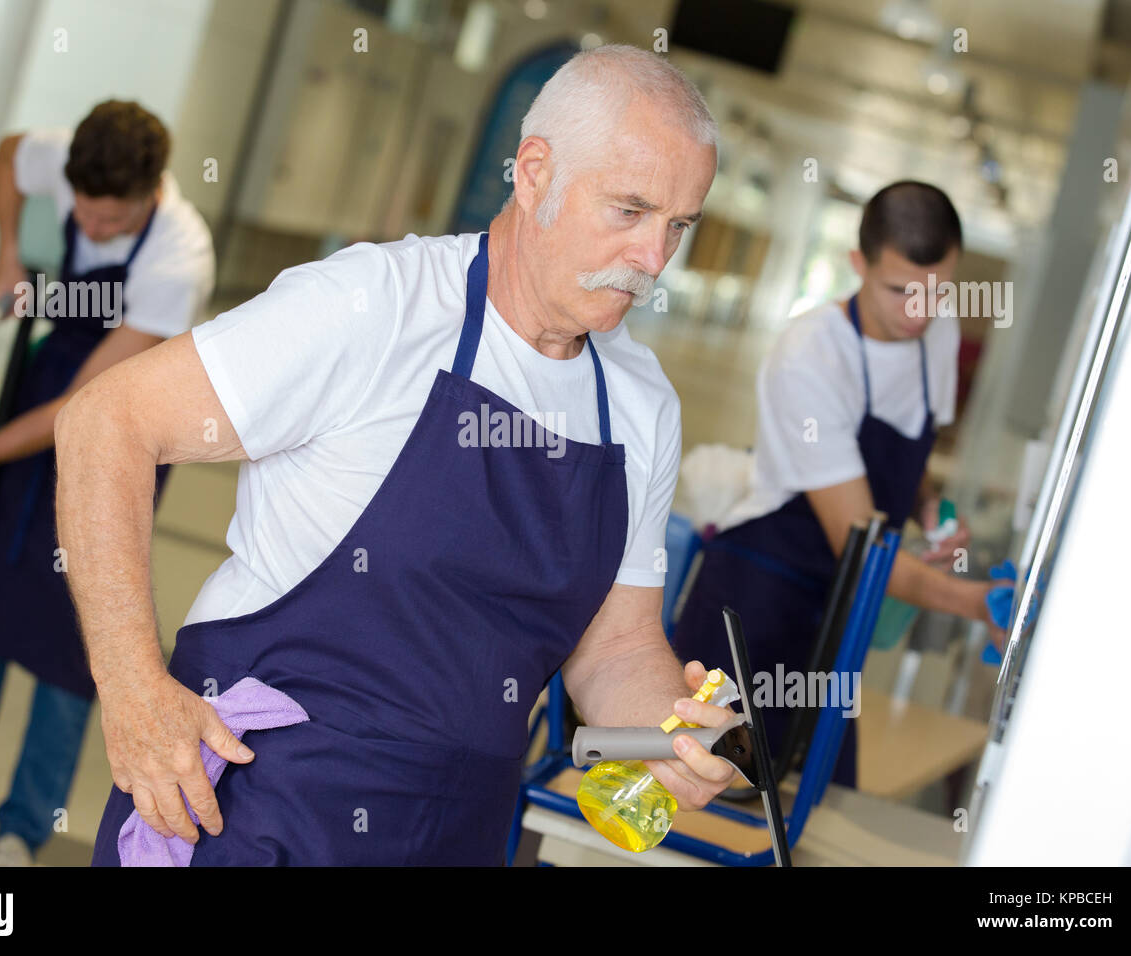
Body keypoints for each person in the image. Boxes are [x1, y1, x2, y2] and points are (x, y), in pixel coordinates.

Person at [58, 45, 736, 866]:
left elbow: (618, 646)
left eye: (678, 226)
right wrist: (132, 687)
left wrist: (668, 735)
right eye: (630, 210)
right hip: (262, 808)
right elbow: (106, 422)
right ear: (534, 173)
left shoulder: (640, 403)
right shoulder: (376, 307)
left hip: (459, 830)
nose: (654, 260)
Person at [0, 101, 215, 864]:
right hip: (45, 377)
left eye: (111, 221)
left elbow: (83, 410)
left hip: (118, 423)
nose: (91, 229)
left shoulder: (179, 257)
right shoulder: (70, 158)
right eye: (83, 214)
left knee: (78, 622)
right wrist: (7, 252)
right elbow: (7, 153)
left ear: (151, 191)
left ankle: (25, 825)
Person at [673, 181, 1010, 789]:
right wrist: (975, 601)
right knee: (707, 786)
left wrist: (931, 511)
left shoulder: (938, 332)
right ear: (859, 264)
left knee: (820, 792)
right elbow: (862, 548)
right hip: (759, 595)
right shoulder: (810, 356)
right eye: (899, 290)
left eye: (936, 290)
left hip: (840, 609)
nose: (918, 312)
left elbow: (908, 452)